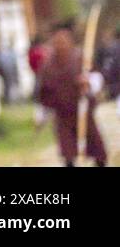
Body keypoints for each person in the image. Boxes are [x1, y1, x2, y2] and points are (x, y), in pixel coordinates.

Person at [36, 19, 107, 167]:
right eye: (57, 42)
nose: (60, 44)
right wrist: (41, 116)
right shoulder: (48, 67)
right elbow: (43, 93)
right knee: (68, 153)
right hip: (63, 116)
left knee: (96, 149)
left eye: (63, 41)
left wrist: (88, 83)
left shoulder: (81, 59)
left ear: (70, 42)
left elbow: (97, 78)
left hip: (83, 112)